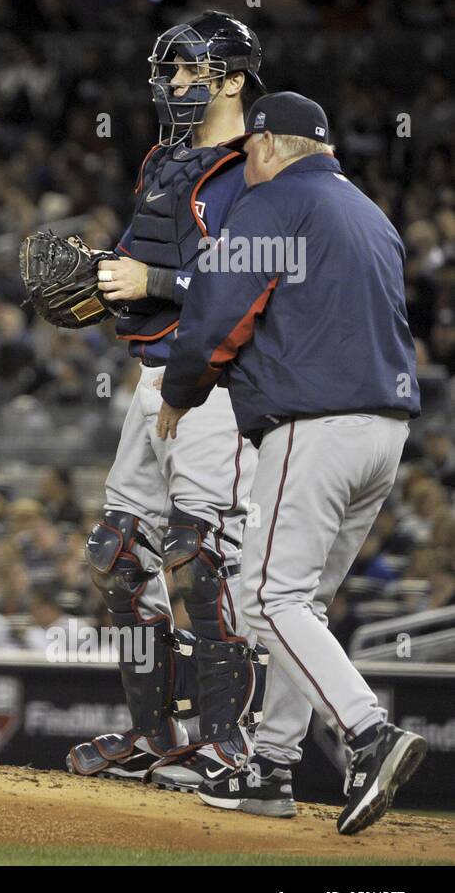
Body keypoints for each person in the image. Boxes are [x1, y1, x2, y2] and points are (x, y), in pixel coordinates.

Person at [159, 92, 428, 834]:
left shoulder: (278, 200)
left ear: (273, 144)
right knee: (298, 604)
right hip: (385, 431)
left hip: (318, 426)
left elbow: (220, 307)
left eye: (248, 149)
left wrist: (182, 389)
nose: (244, 162)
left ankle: (370, 736)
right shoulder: (369, 212)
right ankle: (271, 763)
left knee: (272, 596)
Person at [67, 12, 267, 789]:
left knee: (202, 555)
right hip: (153, 376)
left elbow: (251, 283)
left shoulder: (260, 166)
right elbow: (141, 254)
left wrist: (151, 284)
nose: (173, 83)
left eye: (187, 70)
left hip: (219, 381)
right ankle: (157, 735)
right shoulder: (165, 157)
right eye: (170, 70)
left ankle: (230, 744)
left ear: (233, 79)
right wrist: (101, 272)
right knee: (118, 554)